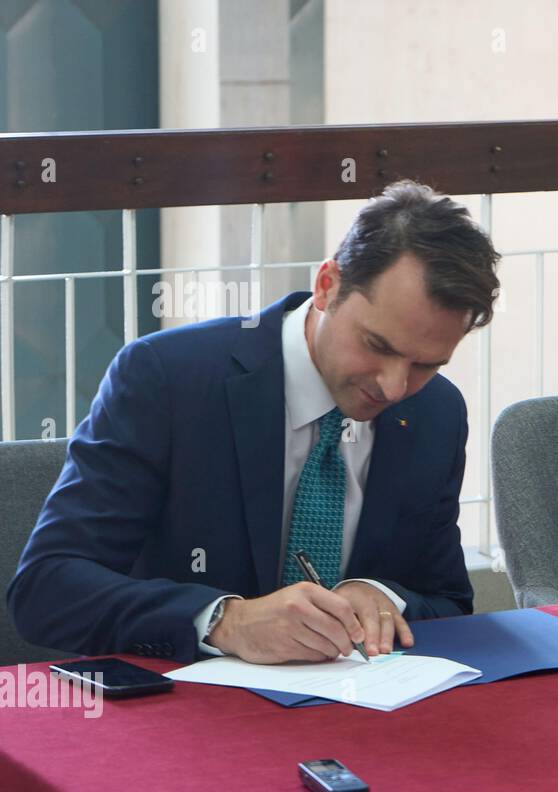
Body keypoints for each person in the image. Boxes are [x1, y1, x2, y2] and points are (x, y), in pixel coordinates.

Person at [7, 179, 500, 664]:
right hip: (183, 716)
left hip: (355, 720)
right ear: (328, 286)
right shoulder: (167, 379)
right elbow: (47, 589)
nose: (394, 388)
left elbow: (450, 601)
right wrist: (225, 622)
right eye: (378, 346)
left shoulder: (436, 411)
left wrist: (382, 596)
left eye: (425, 364)